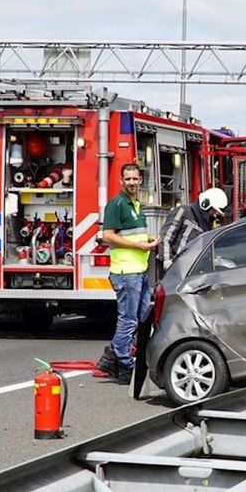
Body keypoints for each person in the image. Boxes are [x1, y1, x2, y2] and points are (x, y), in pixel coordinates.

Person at [96, 162, 158, 384]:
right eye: (128, 179)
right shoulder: (117, 204)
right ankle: (124, 365)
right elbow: (108, 236)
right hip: (125, 272)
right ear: (122, 181)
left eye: (135, 178)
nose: (132, 182)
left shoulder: (135, 204)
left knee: (141, 319)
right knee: (129, 321)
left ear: (141, 180)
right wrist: (138, 246)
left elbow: (132, 234)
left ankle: (111, 356)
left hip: (139, 271)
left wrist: (148, 240)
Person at [157, 187, 225, 276]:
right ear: (205, 204)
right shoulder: (183, 211)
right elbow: (166, 236)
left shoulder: (206, 224)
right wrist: (167, 261)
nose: (214, 214)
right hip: (174, 267)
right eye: (213, 210)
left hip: (191, 269)